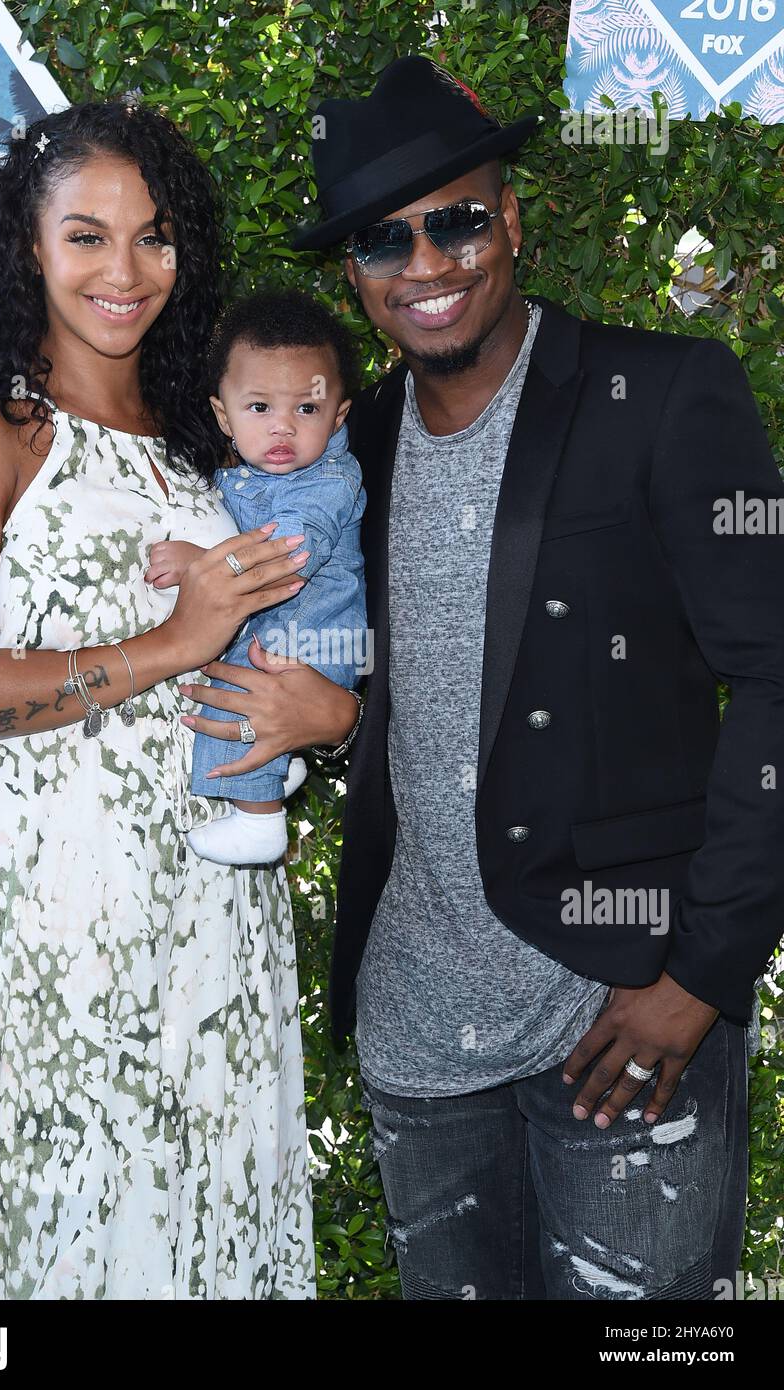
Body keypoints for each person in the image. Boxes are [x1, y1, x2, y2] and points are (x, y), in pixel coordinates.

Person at [287, 54, 784, 1299]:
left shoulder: (665, 395)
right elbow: (407, 706)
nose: (427, 264)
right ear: (354, 275)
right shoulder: (350, 449)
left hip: (621, 1018)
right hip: (415, 1036)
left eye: (454, 219)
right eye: (383, 241)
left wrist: (701, 978)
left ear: (510, 215)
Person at [0, 98, 332, 1299]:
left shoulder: (214, 445)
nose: (126, 271)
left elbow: (308, 640)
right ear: (27, 245)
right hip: (30, 920)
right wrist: (172, 641)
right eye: (87, 236)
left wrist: (327, 712)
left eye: (154, 236)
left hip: (208, 918)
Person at [146, 289, 367, 866]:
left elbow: (286, 556)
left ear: (339, 414)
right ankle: (282, 768)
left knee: (236, 692)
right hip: (287, 636)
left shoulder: (329, 482)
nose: (283, 430)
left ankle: (260, 820)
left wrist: (201, 562)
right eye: (260, 408)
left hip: (308, 645)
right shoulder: (247, 475)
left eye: (308, 409)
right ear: (224, 414)